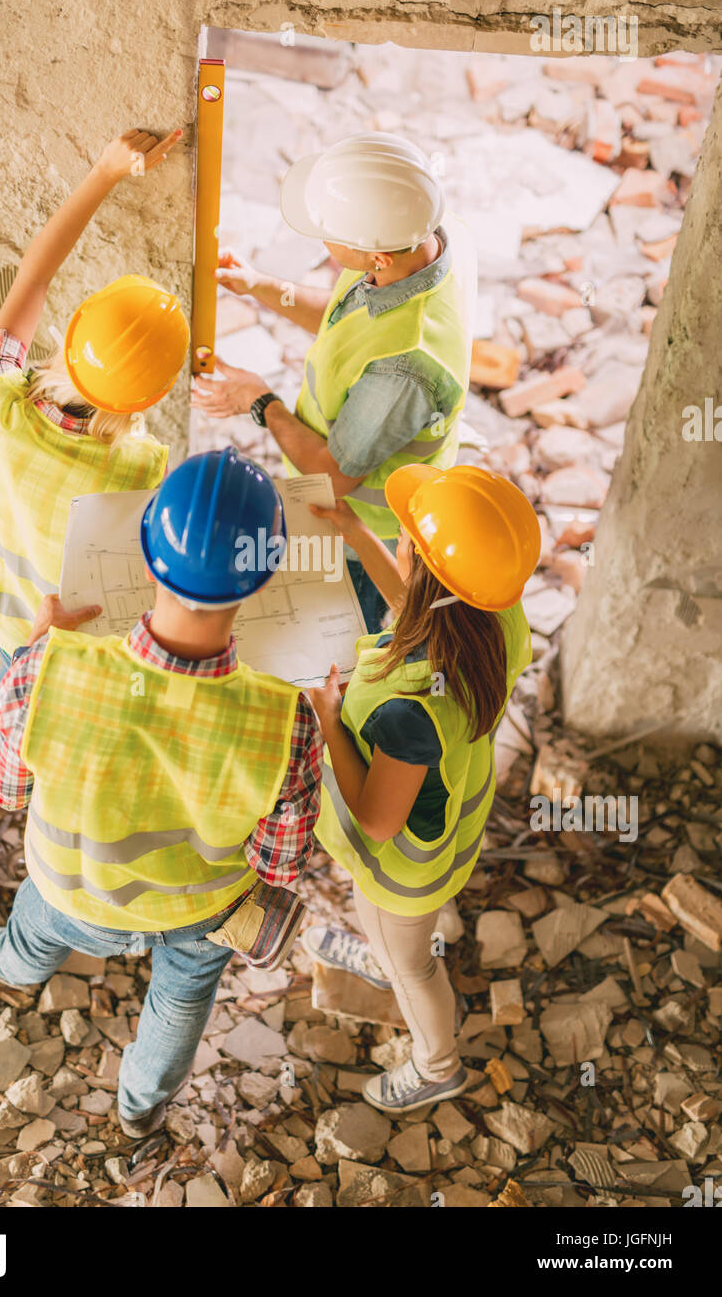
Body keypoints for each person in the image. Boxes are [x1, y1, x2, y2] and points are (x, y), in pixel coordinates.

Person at [0, 448, 323, 1140]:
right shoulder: (286, 722)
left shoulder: (49, 668)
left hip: (69, 893)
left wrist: (35, 652)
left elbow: (6, 791)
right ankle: (139, 1110)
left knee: (27, 940)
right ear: (260, 582)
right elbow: (278, 866)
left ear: (145, 560)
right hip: (199, 912)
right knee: (178, 1009)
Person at [302, 464, 539, 1115]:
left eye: (404, 536)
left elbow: (377, 821)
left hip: (402, 873)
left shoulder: (410, 709)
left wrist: (327, 720)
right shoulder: (495, 611)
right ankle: (399, 946)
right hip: (454, 831)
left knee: (412, 966)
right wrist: (356, 534)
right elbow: (418, 596)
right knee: (410, 934)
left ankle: (437, 1065)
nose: (399, 538)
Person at [192, 132, 477, 632]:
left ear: (377, 259)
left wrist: (261, 403)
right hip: (351, 477)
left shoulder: (406, 369)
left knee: (339, 635)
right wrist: (264, 286)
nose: (321, 243)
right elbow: (351, 315)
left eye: (329, 237)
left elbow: (332, 474)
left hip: (367, 534)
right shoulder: (424, 234)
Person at [0, 126, 189, 736]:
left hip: (7, 624)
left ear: (71, 332)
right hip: (82, 654)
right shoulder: (140, 472)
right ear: (156, 396)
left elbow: (33, 277)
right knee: (59, 738)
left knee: (21, 708)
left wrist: (105, 172)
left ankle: (1, 730)